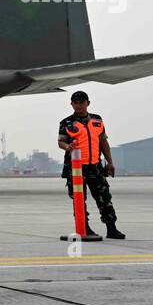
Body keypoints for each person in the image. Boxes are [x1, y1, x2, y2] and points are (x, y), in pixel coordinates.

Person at [57, 90, 124, 239]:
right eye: (76, 103)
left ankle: (111, 228)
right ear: (71, 104)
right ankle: (84, 228)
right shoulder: (66, 123)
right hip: (75, 169)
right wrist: (67, 147)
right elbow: (61, 142)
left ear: (88, 103)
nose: (79, 106)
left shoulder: (97, 121)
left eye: (82, 102)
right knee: (79, 200)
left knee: (104, 197)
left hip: (95, 167)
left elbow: (103, 142)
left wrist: (110, 162)